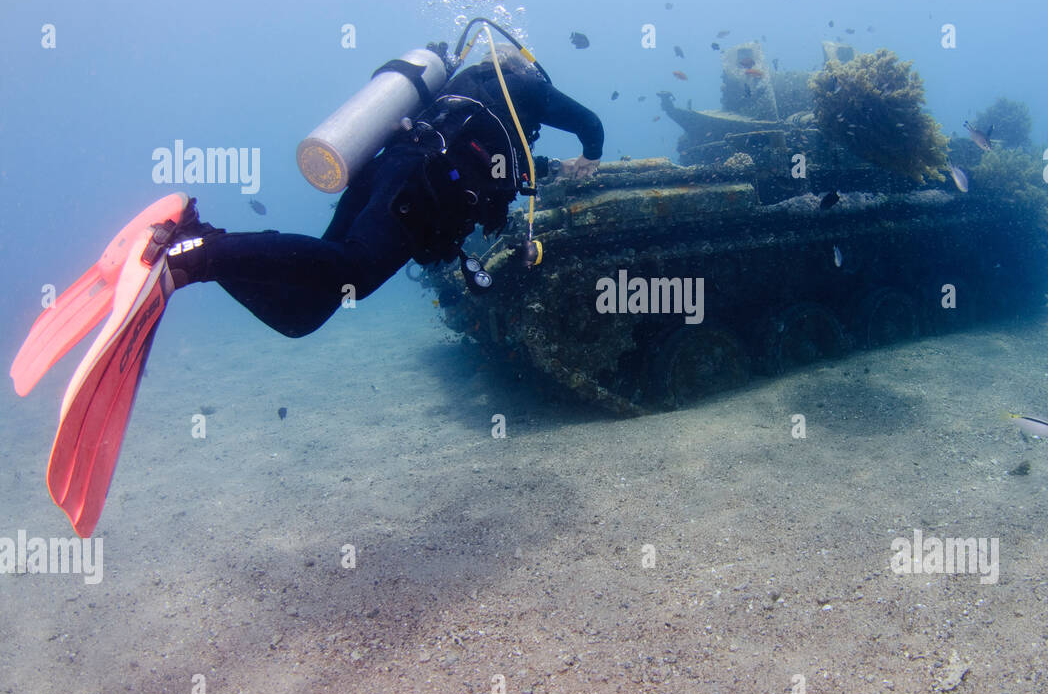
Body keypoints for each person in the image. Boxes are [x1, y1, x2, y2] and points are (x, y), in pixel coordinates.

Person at [10, 38, 604, 536]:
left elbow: (509, 172)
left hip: (396, 170)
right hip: (417, 187)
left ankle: (195, 251)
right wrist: (592, 160)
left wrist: (547, 173)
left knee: (305, 313)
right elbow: (589, 124)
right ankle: (190, 248)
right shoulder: (521, 85)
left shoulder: (474, 109)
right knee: (351, 271)